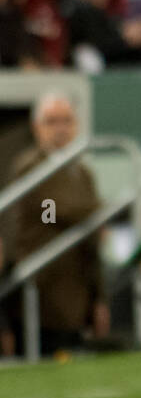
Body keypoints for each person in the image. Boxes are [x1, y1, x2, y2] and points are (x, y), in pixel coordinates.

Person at [6, 93, 110, 354]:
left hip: (78, 294)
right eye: (52, 121)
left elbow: (91, 238)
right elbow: (60, 209)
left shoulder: (84, 173)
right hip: (41, 295)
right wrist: (109, 210)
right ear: (36, 128)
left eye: (67, 120)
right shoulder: (28, 167)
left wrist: (99, 297)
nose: (61, 129)